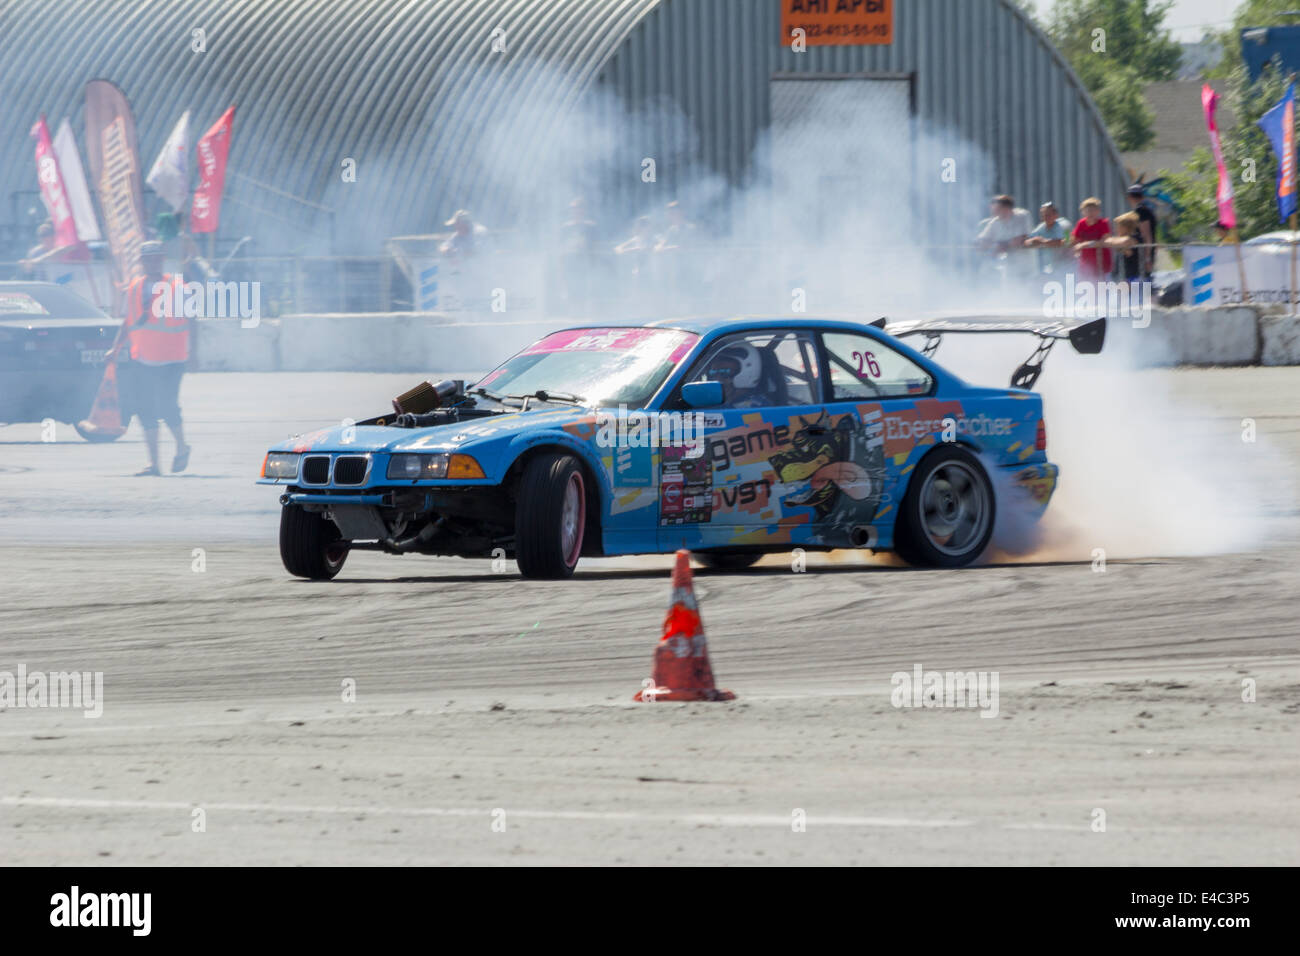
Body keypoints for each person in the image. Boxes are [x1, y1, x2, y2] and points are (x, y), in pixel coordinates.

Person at [120, 240, 192, 476]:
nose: (152, 262)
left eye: (157, 257)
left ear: (162, 259)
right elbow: (128, 321)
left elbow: (192, 319)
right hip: (143, 358)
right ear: (142, 262)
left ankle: (182, 447)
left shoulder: (176, 285)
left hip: (172, 359)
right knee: (144, 409)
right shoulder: (134, 287)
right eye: (148, 259)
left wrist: (196, 352)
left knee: (167, 405)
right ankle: (154, 464)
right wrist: (115, 347)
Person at [1070, 198, 1113, 282]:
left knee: (1103, 291)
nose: (1090, 213)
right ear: (1083, 212)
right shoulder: (1081, 223)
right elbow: (1073, 239)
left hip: (1102, 264)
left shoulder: (1103, 223)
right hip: (1086, 264)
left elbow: (1106, 241)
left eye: (1093, 210)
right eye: (1087, 211)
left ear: (1098, 211)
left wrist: (1084, 245)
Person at [1024, 202, 1072, 274]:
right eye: (1043, 215)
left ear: (1056, 215)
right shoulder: (1041, 227)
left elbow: (1068, 241)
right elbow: (1027, 241)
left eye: (1048, 215)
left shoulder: (1065, 225)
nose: (1045, 217)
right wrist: (1032, 241)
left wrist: (1044, 242)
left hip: (1068, 266)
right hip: (1051, 268)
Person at [1126, 184, 1158, 279]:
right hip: (1143, 252)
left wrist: (1147, 258)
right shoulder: (1146, 210)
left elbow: (1146, 235)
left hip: (1141, 253)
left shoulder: (1141, 211)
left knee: (1142, 283)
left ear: (1129, 198)